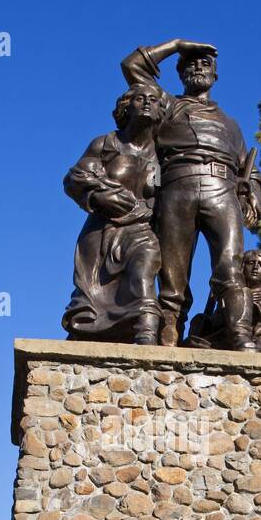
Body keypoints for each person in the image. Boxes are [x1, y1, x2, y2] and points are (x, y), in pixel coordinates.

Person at [120, 38, 261, 349]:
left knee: (230, 267)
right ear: (181, 72)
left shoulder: (231, 124)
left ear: (215, 76)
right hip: (177, 187)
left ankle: (240, 336)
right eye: (191, 63)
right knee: (173, 274)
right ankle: (169, 335)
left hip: (222, 191)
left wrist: (253, 191)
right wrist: (177, 44)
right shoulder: (166, 104)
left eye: (205, 63)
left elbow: (250, 171)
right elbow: (131, 65)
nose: (198, 66)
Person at [61, 85, 164, 345]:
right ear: (126, 107)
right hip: (102, 231)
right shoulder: (107, 144)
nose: (147, 103)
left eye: (153, 100)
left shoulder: (163, 153)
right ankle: (84, 338)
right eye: (140, 99)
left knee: (144, 272)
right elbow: (74, 180)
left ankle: (147, 338)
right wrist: (97, 196)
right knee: (92, 298)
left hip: (142, 229)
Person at [186, 249, 261, 353]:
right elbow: (213, 319)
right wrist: (231, 308)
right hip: (225, 335)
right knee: (199, 321)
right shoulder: (230, 291)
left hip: (257, 336)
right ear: (243, 266)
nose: (255, 268)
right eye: (251, 263)